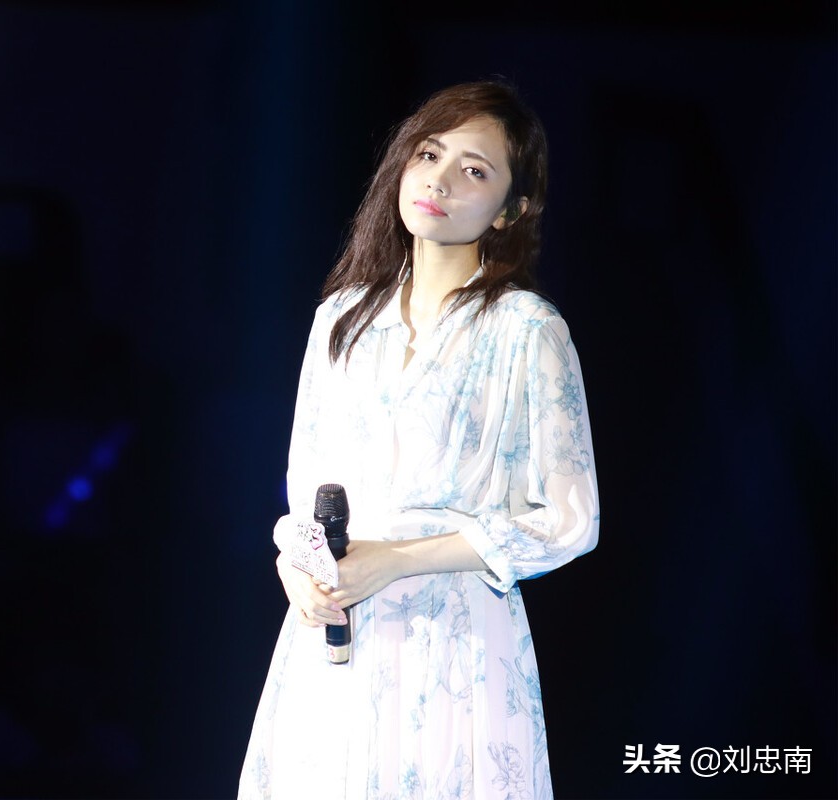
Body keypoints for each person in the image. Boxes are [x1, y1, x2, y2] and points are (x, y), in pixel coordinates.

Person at [238, 81, 599, 799]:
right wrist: (296, 568)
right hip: (333, 638)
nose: (439, 179)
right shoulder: (342, 317)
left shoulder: (526, 330)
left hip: (455, 640)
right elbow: (305, 492)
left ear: (512, 210)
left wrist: (398, 561)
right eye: (429, 154)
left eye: (475, 169)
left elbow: (570, 521)